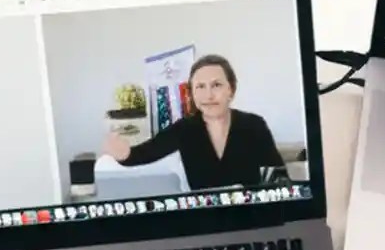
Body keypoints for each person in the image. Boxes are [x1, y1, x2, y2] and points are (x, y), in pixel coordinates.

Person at [103, 55, 285, 190]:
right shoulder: (184, 129)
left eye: (216, 85)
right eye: (200, 87)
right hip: (205, 223)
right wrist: (125, 155)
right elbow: (145, 153)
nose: (209, 95)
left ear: (231, 89)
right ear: (192, 93)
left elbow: (278, 177)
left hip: (252, 221)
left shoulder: (254, 125)